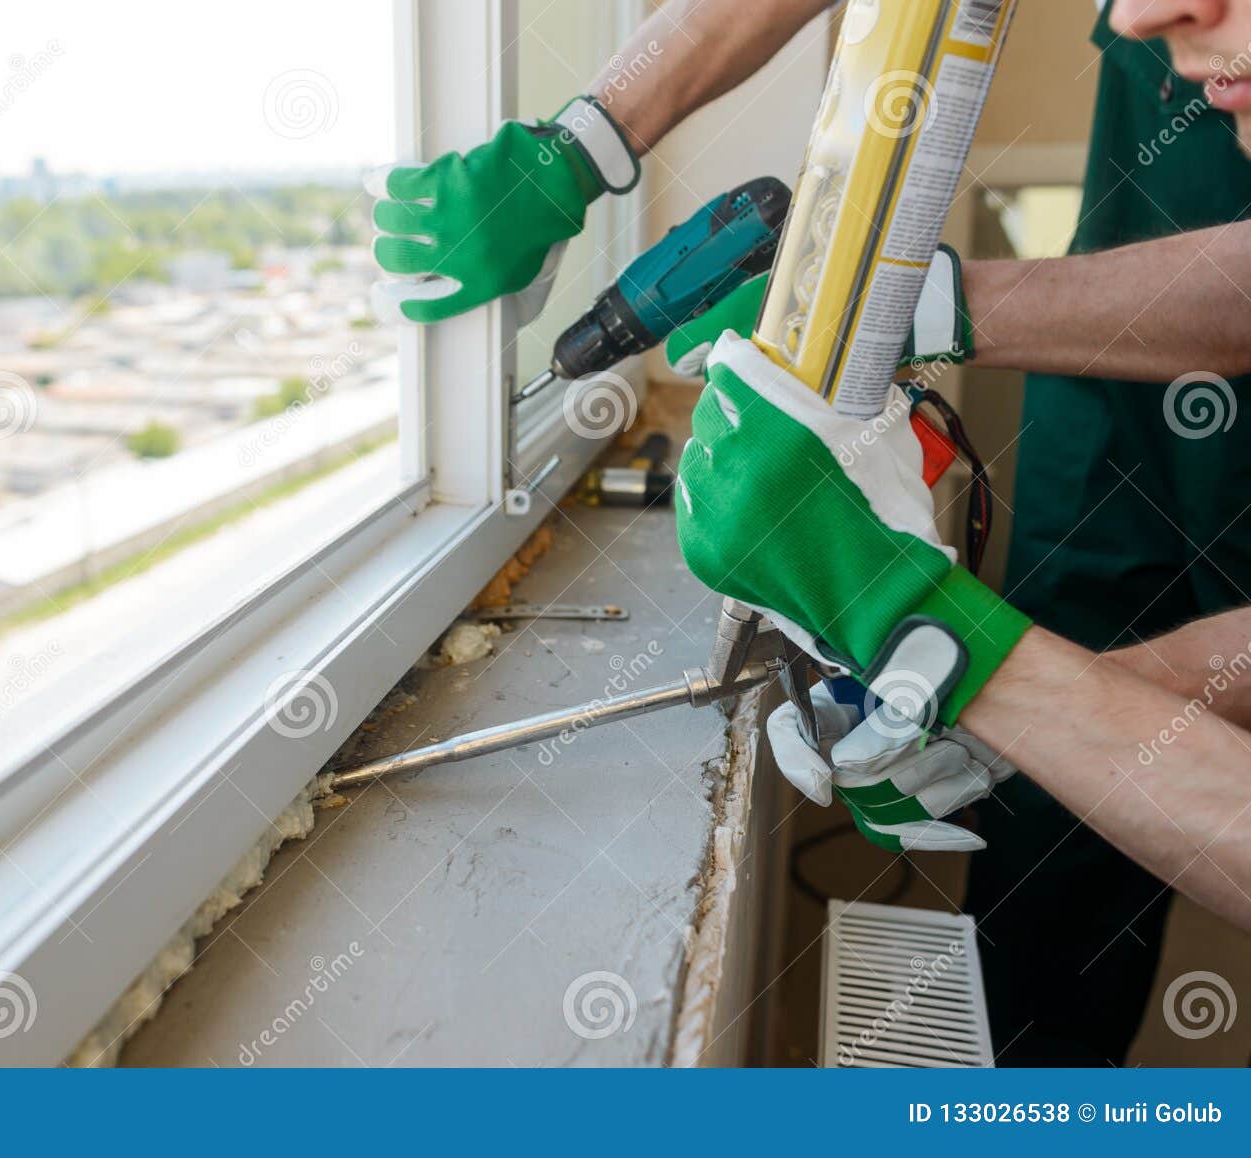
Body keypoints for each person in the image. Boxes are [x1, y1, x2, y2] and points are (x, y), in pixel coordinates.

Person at [367, 0, 1251, 1065]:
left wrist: (958, 653)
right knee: (1058, 820)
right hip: (1114, 410)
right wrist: (1030, 714)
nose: (1148, 14)